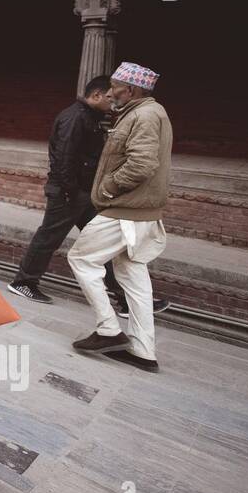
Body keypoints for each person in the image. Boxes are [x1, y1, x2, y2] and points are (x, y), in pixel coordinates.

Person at [8, 76, 169, 318]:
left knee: (104, 243)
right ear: (95, 96)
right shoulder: (75, 118)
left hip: (83, 194)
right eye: (108, 96)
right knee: (49, 238)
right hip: (70, 193)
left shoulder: (90, 117)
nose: (112, 100)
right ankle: (24, 282)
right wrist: (71, 191)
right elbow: (64, 158)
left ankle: (125, 300)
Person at [69, 62, 174, 372]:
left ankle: (108, 330)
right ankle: (144, 351)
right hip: (141, 213)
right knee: (133, 277)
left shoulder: (143, 115)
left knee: (81, 259)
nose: (110, 91)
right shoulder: (149, 113)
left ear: (131, 90)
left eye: (115, 86)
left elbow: (141, 164)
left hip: (125, 211)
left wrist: (108, 188)